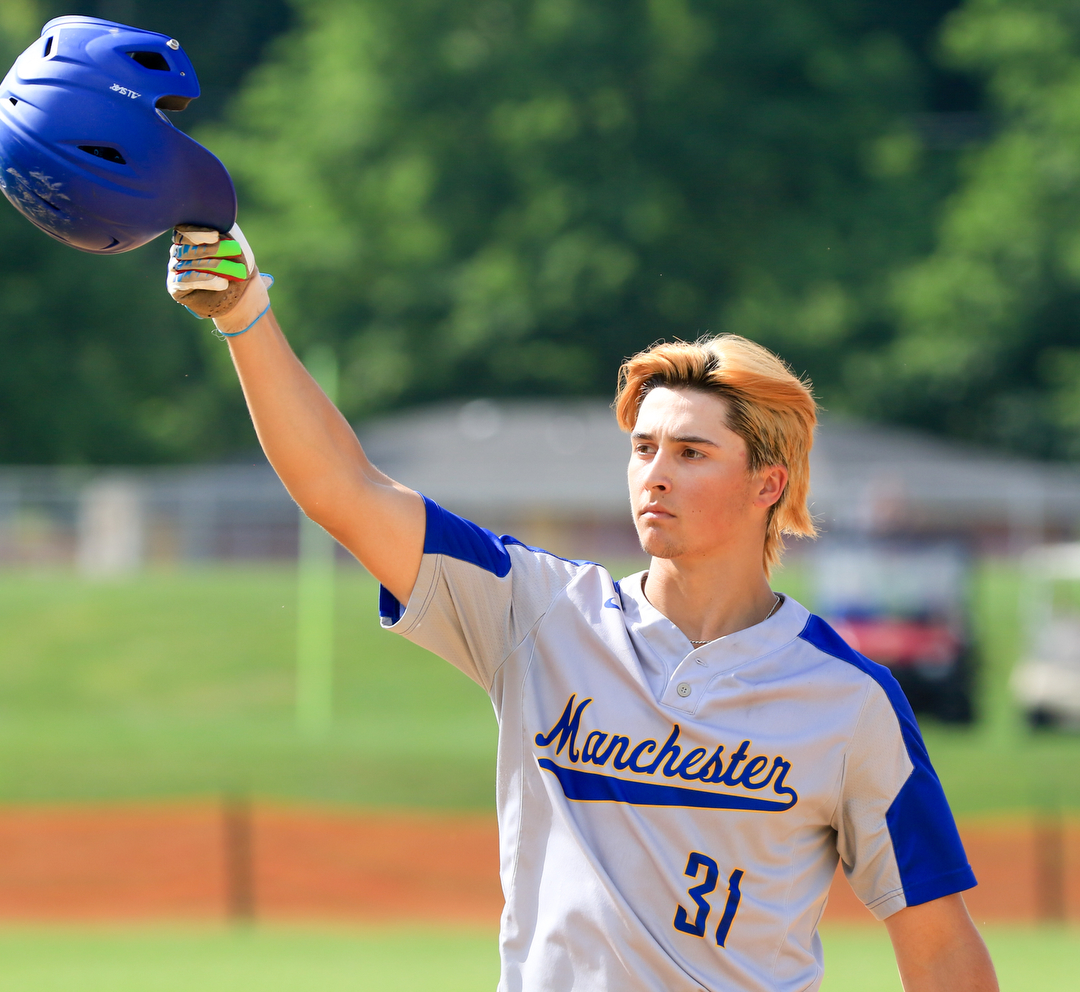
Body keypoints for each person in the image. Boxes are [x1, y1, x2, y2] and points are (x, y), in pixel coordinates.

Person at [167, 227, 999, 992]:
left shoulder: (847, 700)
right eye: (643, 448)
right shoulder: (539, 612)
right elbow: (346, 491)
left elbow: (938, 944)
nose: (655, 473)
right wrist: (246, 313)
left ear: (768, 484)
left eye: (691, 452)